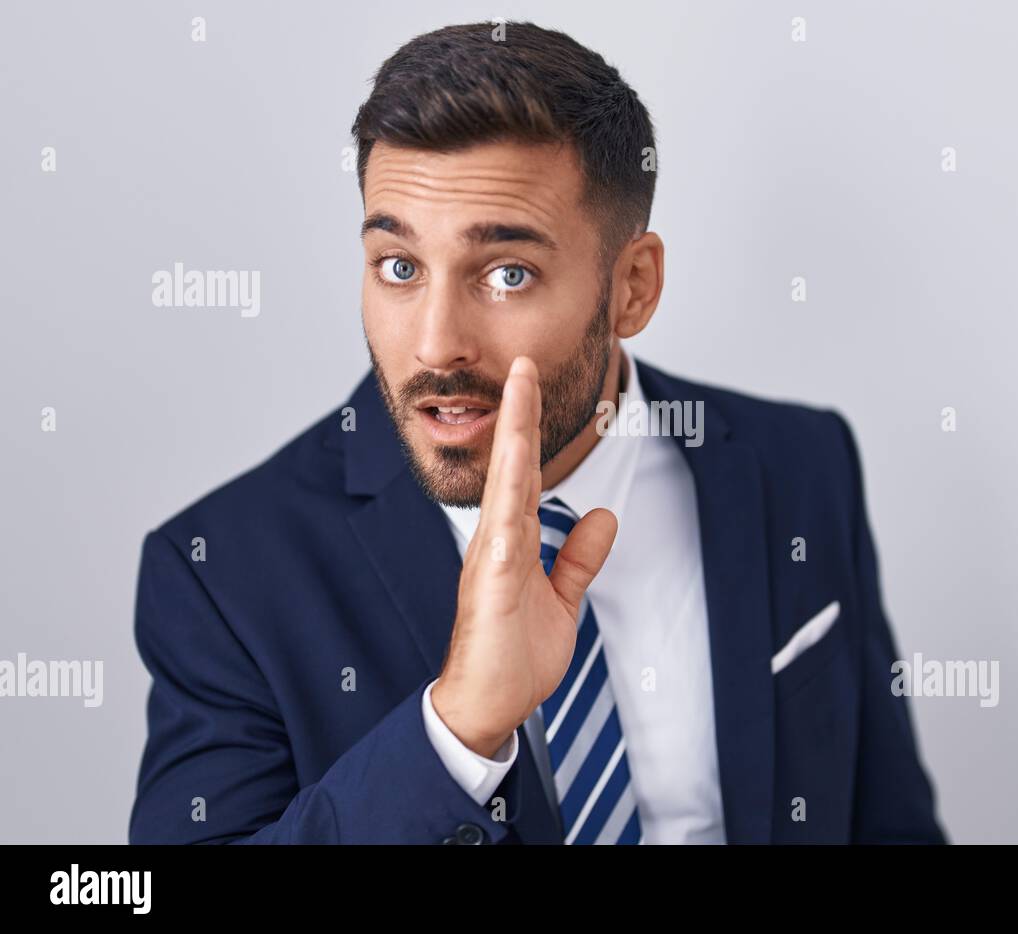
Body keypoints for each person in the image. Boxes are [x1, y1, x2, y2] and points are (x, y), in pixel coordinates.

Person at [128, 20, 945, 845]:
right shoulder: (221, 574)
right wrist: (455, 732)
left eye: (506, 273)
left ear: (632, 286)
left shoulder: (800, 468)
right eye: (399, 267)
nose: (436, 341)